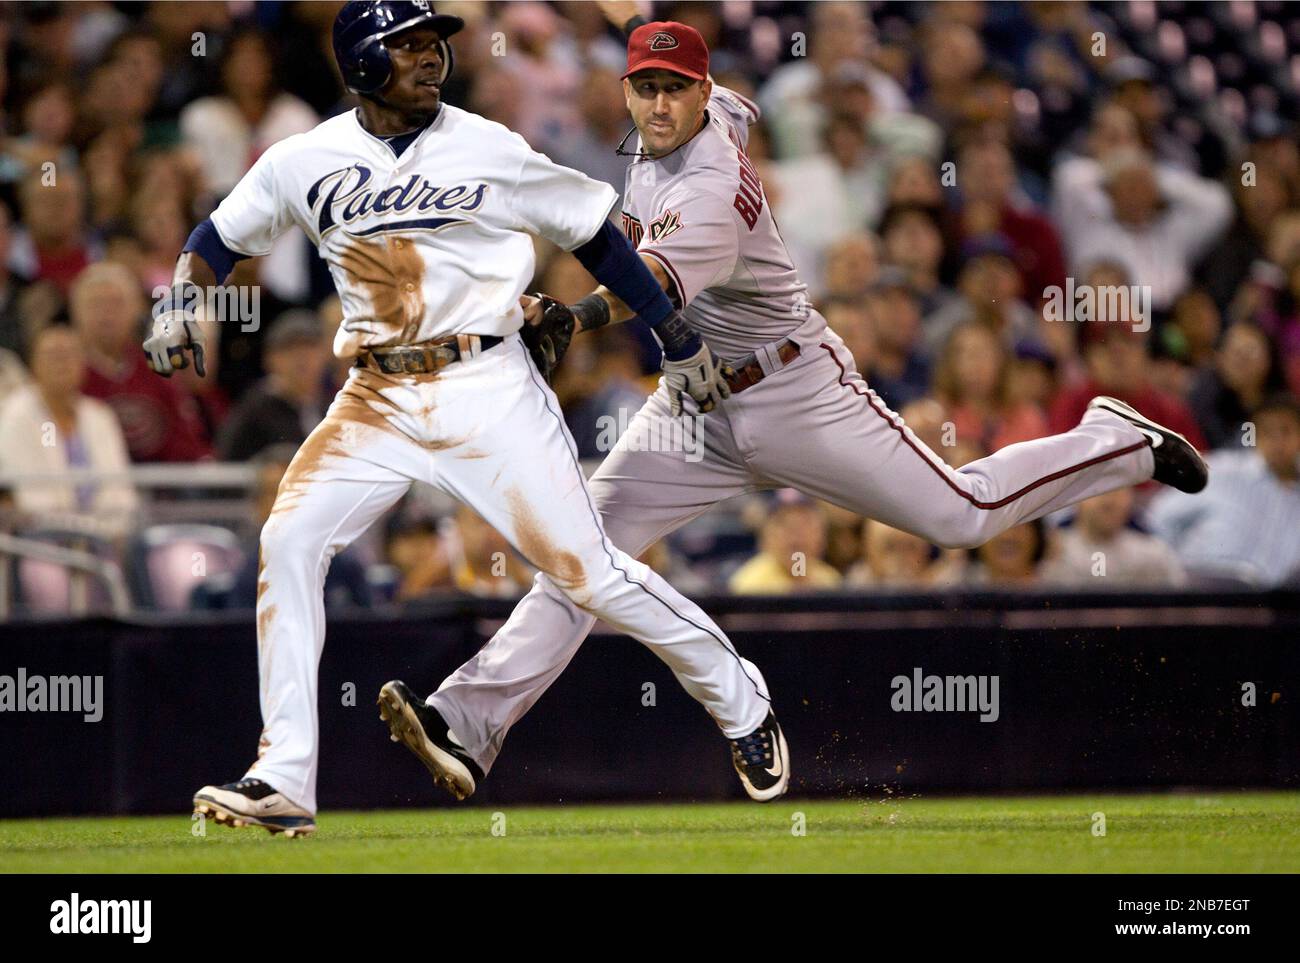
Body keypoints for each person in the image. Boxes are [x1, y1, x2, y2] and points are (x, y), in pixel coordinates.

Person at [419, 10, 1209, 808]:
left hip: (795, 391)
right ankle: (463, 723)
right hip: (693, 406)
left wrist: (575, 317)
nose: (660, 105)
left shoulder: (712, 182)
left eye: (675, 90)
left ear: (699, 97)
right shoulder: (710, 111)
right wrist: (651, 29)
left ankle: (1117, 441)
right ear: (628, 90)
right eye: (647, 87)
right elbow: (735, 103)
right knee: (577, 550)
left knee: (963, 514)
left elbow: (648, 285)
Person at [149, 1, 758, 838]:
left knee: (588, 574)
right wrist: (182, 299)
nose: (431, 57)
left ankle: (739, 695)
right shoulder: (303, 158)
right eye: (408, 46)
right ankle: (284, 775)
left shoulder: (486, 144)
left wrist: (675, 333)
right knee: (288, 541)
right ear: (361, 61)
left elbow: (597, 237)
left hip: (489, 384)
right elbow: (217, 237)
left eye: (435, 43)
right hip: (376, 396)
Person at [1147, 394, 1300, 587]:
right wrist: (1175, 573)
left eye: (1285, 431)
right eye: (1267, 432)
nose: (1277, 441)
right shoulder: (1220, 470)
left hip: (1275, 606)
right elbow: (1159, 516)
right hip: (1202, 590)